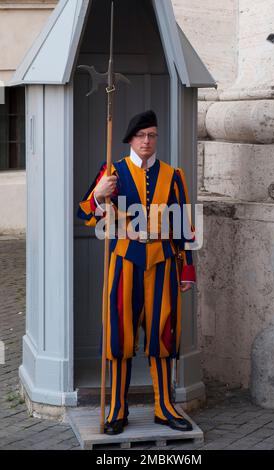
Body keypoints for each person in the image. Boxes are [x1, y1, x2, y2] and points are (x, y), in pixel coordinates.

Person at [77, 110, 196, 435]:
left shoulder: (174, 175)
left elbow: (184, 225)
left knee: (164, 334)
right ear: (130, 139)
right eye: (141, 135)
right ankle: (116, 407)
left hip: (163, 264)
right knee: (120, 334)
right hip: (124, 264)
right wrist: (99, 195)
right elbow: (85, 213)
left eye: (152, 135)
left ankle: (165, 406)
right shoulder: (112, 171)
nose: (147, 141)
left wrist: (187, 269)